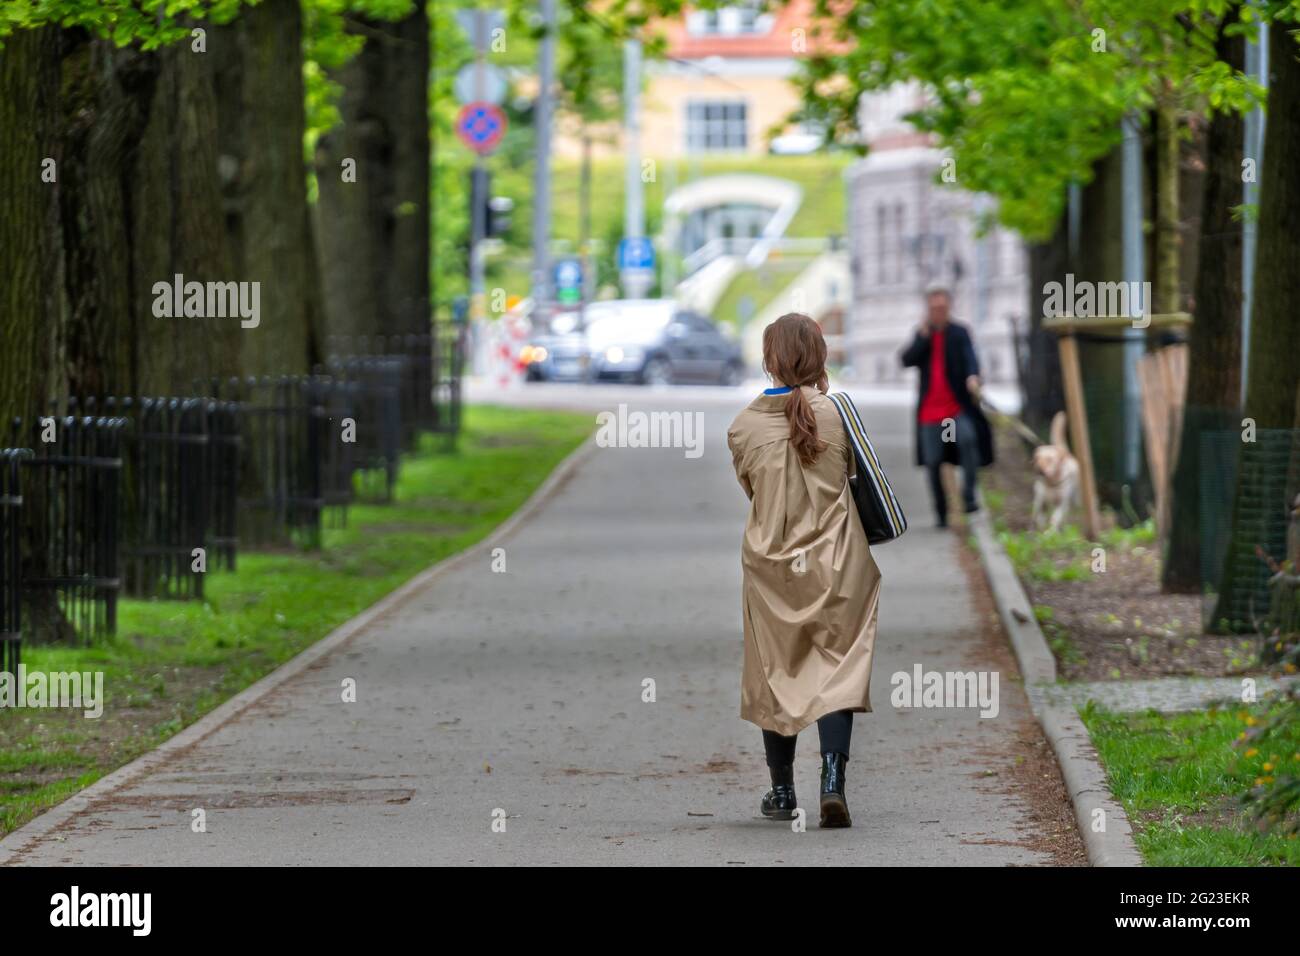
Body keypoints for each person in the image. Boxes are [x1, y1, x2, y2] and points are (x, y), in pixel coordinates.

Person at [726, 313, 881, 829]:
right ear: (821, 357)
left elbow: (756, 492)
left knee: (777, 668)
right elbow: (856, 478)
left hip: (773, 564)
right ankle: (832, 781)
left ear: (769, 359)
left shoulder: (743, 425)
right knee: (837, 664)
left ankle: (782, 790)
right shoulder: (837, 413)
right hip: (837, 560)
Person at [899, 284, 994, 527]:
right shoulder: (924, 335)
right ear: (928, 310)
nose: (938, 311)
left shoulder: (960, 333)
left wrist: (973, 377)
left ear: (949, 307)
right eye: (933, 308)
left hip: (955, 409)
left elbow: (971, 358)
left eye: (942, 307)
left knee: (968, 440)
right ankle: (941, 512)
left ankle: (969, 496)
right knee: (933, 461)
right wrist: (922, 335)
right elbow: (906, 359)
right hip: (930, 412)